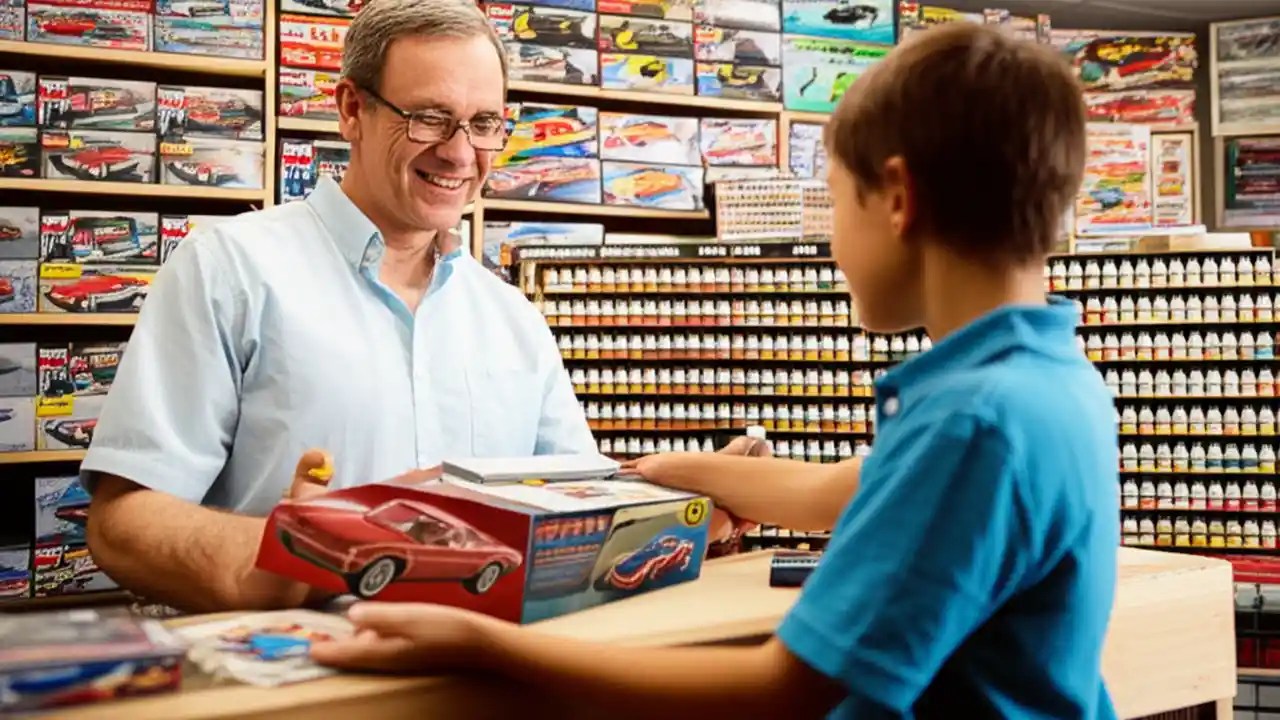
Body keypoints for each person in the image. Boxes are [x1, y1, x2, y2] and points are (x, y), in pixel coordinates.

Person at [310, 22, 1122, 719]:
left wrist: (487, 646)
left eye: (835, 204)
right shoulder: (1046, 381)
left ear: (898, 197)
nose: (834, 245)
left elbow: (778, 692)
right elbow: (825, 494)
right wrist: (662, 476)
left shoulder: (972, 422)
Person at [80, 0, 598, 614]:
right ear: (352, 109)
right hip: (302, 692)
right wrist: (292, 552)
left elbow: (582, 507)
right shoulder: (229, 268)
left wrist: (691, 504)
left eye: (484, 123)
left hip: (488, 678)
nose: (462, 154)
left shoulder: (513, 318)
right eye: (430, 118)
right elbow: (121, 524)